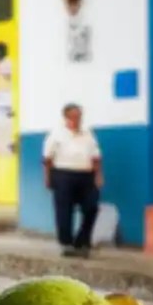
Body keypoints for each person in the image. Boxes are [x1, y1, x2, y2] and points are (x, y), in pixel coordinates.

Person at [43, 103, 103, 258]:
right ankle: (66, 243)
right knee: (64, 210)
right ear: (66, 118)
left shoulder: (87, 134)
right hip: (63, 174)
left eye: (79, 116)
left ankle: (82, 240)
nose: (77, 120)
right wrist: (48, 177)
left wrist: (98, 176)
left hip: (85, 174)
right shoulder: (56, 134)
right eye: (73, 117)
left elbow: (96, 157)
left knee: (92, 207)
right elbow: (48, 158)